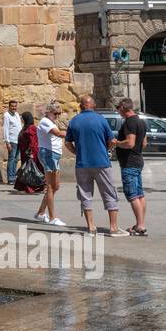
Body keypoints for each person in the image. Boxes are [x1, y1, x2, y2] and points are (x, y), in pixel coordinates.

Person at [64, 95, 126, 236]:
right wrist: (106, 150)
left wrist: (77, 152)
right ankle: (113, 227)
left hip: (82, 163)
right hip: (102, 162)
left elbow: (67, 143)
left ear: (81, 106)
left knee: (85, 194)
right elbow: (111, 140)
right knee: (109, 192)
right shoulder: (101, 120)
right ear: (94, 105)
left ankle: (91, 227)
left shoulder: (74, 121)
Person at [113, 98, 149, 236]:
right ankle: (140, 223)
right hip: (138, 160)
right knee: (139, 194)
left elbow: (129, 143)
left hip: (129, 162)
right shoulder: (141, 121)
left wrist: (116, 143)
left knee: (132, 194)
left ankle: (140, 226)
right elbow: (144, 143)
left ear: (122, 107)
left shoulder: (129, 122)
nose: (117, 111)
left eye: (118, 108)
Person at [33, 102, 66, 226]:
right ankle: (52, 217)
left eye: (59, 113)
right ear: (49, 112)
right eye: (55, 113)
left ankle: (41, 213)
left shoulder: (52, 122)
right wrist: (75, 134)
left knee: (55, 186)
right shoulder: (45, 121)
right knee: (51, 186)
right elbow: (57, 133)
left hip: (54, 155)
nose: (57, 116)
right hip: (48, 154)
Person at [13, 111, 43, 194]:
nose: (22, 120)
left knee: (30, 170)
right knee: (25, 169)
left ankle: (31, 187)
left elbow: (33, 141)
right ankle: (23, 186)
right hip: (24, 152)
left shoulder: (31, 128)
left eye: (23, 118)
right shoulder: (25, 127)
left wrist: (30, 153)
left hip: (30, 152)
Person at [2, 100, 22, 185]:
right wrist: (7, 142)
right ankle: (10, 178)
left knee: (16, 159)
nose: (14, 107)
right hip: (12, 141)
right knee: (11, 159)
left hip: (19, 140)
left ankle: (14, 177)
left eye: (15, 106)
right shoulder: (6, 115)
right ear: (9, 107)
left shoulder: (17, 114)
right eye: (12, 106)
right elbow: (5, 128)